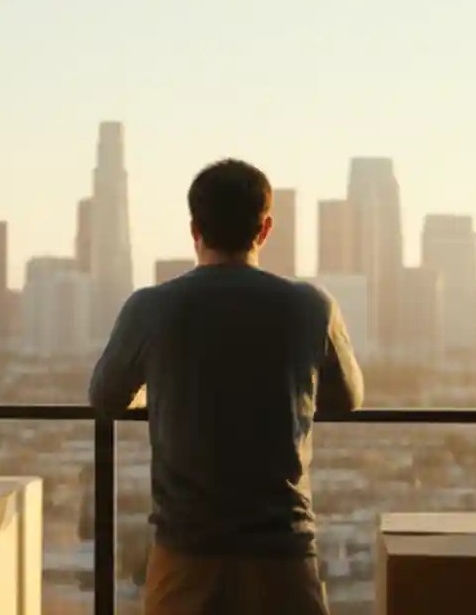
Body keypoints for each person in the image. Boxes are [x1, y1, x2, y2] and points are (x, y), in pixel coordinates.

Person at [88, 159, 365, 615]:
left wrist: (161, 391)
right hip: (283, 552)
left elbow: (105, 398)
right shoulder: (310, 307)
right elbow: (349, 397)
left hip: (186, 552)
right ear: (266, 229)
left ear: (194, 228)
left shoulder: (152, 308)